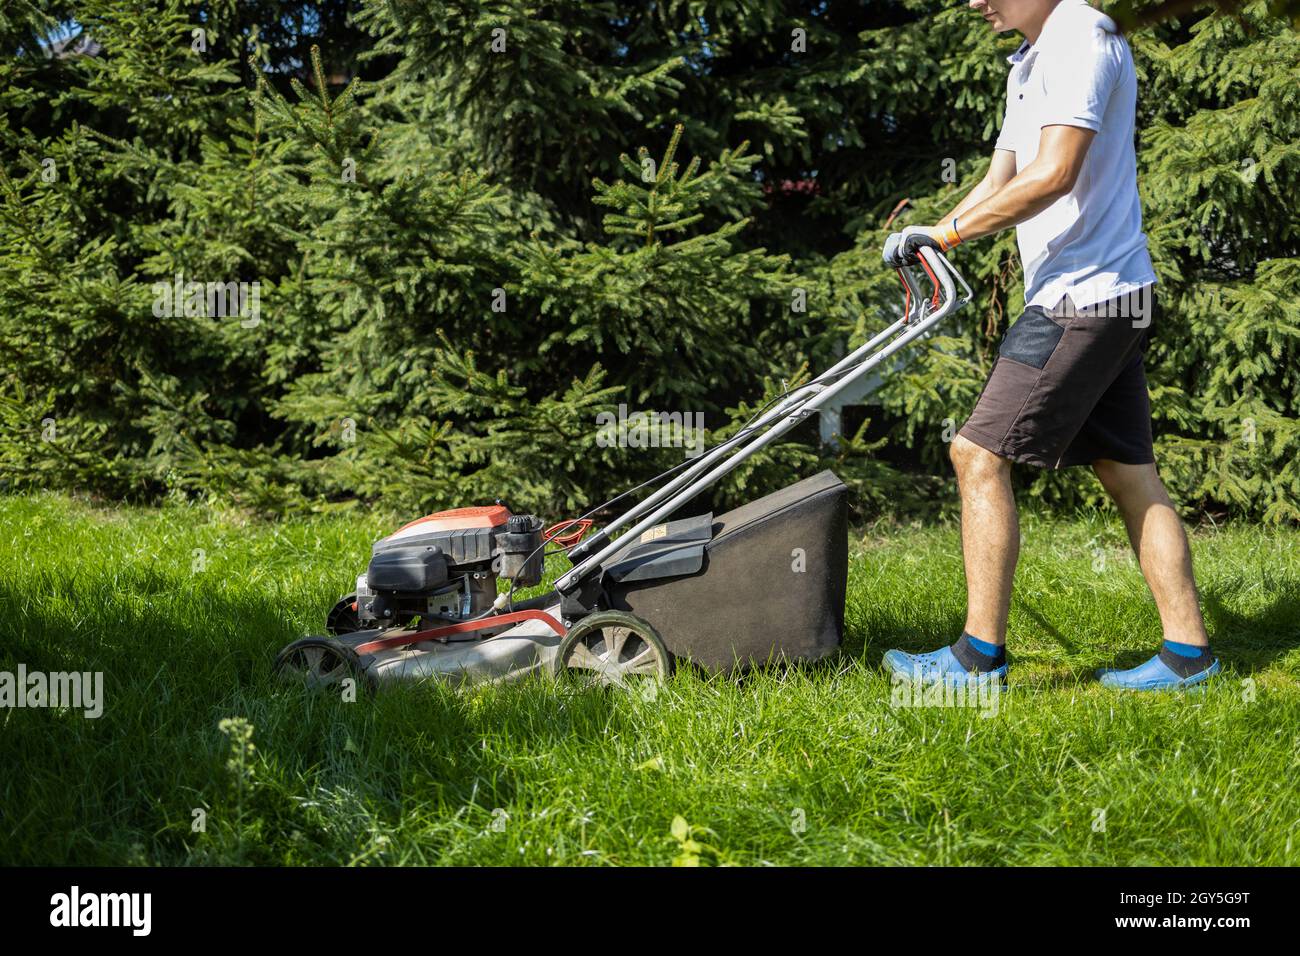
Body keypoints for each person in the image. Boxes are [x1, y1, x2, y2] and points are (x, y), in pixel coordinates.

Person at [880, 0, 1219, 691]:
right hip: (1108, 297)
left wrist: (947, 236)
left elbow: (1055, 173)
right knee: (1128, 472)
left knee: (974, 453)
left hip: (1083, 300)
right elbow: (1003, 179)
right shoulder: (1031, 60)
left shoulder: (1080, 39)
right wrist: (932, 233)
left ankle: (978, 660)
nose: (976, 1)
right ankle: (1189, 657)